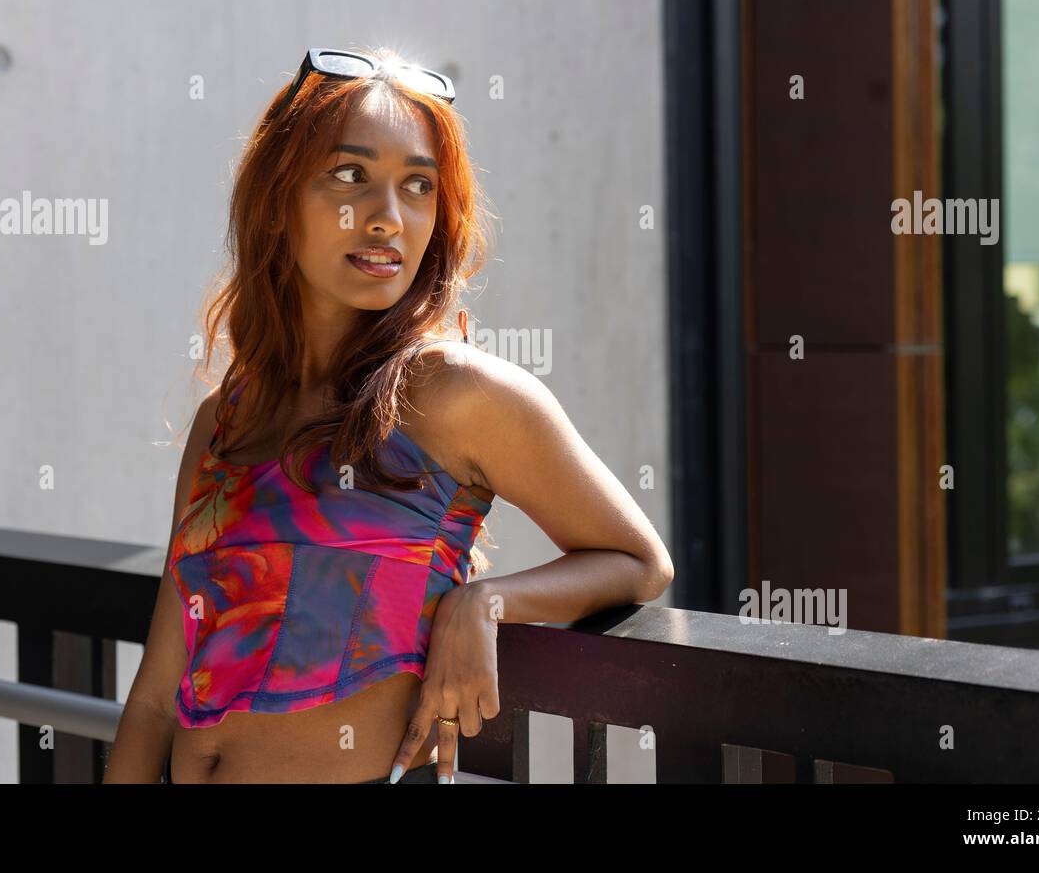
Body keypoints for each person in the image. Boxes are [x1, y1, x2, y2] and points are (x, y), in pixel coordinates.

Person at [102, 46, 674, 784]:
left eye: (418, 186)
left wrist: (488, 602)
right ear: (278, 203)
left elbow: (639, 562)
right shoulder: (226, 421)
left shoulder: (456, 392)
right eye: (350, 176)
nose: (386, 218)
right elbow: (156, 694)